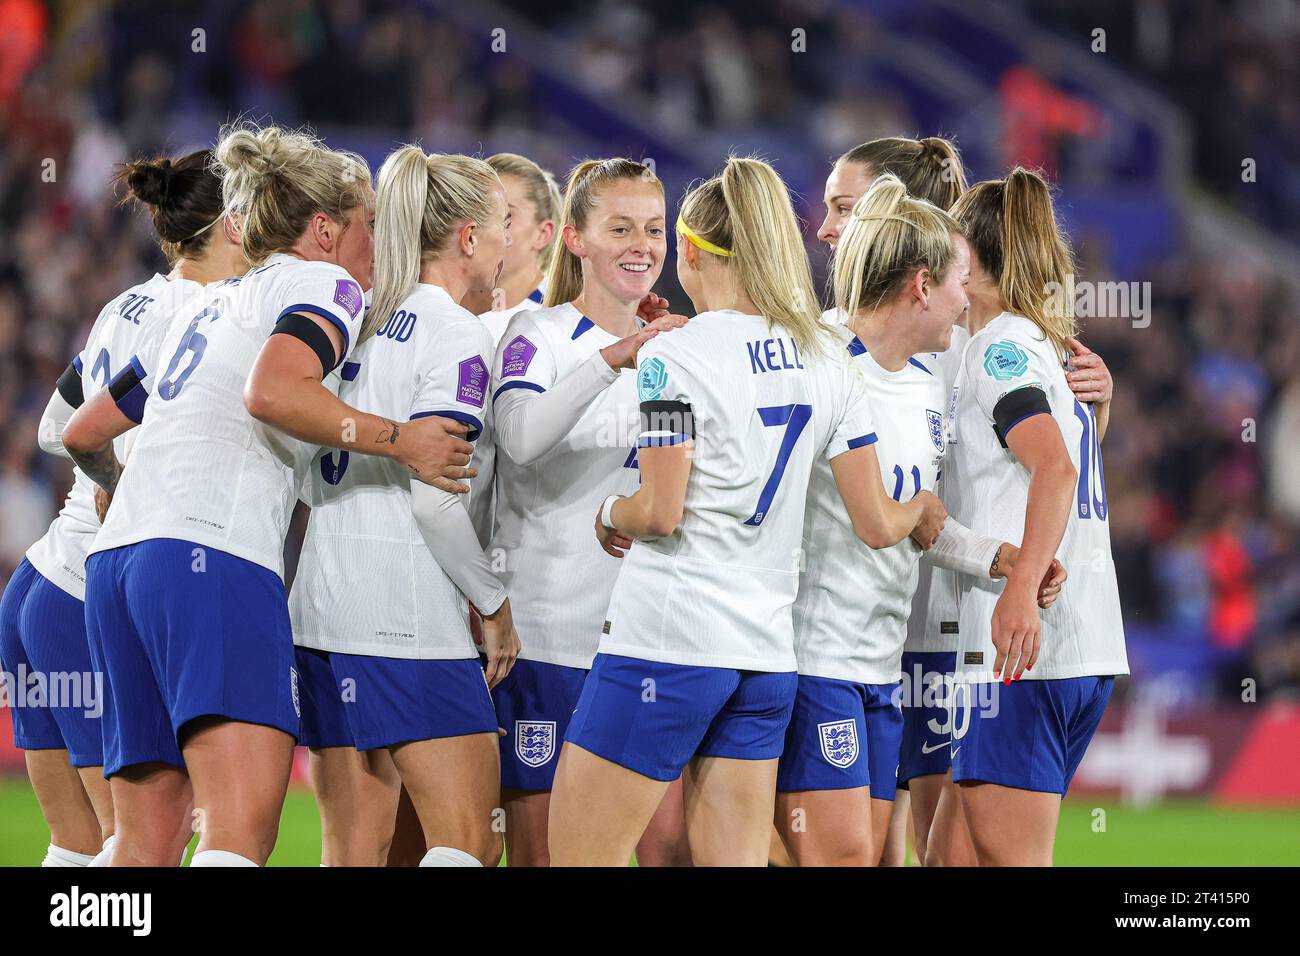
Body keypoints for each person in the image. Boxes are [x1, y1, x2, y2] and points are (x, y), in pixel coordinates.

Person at [61, 123, 474, 867]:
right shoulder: (322, 282)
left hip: (119, 563)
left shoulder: (203, 302)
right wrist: (400, 438)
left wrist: (122, 493)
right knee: (239, 832)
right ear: (325, 229)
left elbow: (84, 433)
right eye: (373, 225)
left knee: (143, 842)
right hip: (211, 557)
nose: (383, 244)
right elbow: (274, 392)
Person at [547, 157, 947, 867]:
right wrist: (920, 504)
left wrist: (610, 510)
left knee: (580, 856)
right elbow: (876, 519)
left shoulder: (675, 354)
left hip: (666, 643)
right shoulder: (826, 359)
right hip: (765, 659)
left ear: (693, 252)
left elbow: (661, 511)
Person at [774, 174, 1065, 866]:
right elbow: (894, 517)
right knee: (836, 854)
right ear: (921, 286)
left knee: (874, 856)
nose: (968, 298)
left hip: (880, 665)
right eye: (958, 282)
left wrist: (999, 558)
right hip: (814, 658)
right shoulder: (813, 362)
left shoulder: (926, 383)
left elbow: (925, 521)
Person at [0, 149, 244, 867]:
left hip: (34, 593)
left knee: (75, 849)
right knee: (134, 848)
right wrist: (117, 483)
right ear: (234, 224)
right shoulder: (202, 316)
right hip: (84, 595)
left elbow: (54, 428)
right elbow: (88, 439)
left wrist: (101, 473)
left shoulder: (126, 303)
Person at [291, 147, 520, 868]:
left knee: (354, 852)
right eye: (503, 224)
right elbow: (435, 501)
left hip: (320, 617)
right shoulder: (454, 332)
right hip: (407, 622)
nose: (511, 242)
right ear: (469, 239)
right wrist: (492, 601)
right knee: (472, 842)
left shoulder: (354, 319)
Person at [486, 157, 690, 866]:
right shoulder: (533, 336)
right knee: (544, 857)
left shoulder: (680, 346)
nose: (643, 245)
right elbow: (518, 440)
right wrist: (615, 355)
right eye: (621, 228)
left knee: (671, 851)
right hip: (549, 641)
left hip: (650, 644)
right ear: (573, 238)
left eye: (656, 229)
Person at [945, 167, 1128, 866]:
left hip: (1022, 650)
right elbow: (1054, 467)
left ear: (973, 258)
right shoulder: (1046, 347)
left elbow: (1054, 467)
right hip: (1081, 643)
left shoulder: (997, 349)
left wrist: (1019, 588)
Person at [473, 153, 562, 347]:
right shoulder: (446, 304)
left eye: (507, 214)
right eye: (480, 211)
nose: (485, 226)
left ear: (542, 234)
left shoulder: (564, 317)